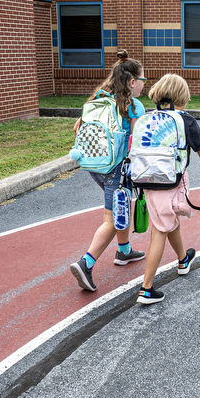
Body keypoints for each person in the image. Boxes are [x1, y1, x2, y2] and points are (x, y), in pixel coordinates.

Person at [69, 50, 146, 291]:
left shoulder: (98, 100)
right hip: (118, 169)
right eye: (143, 80)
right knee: (113, 218)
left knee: (120, 208)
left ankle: (124, 252)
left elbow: (76, 130)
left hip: (96, 166)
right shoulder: (133, 106)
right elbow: (137, 141)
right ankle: (86, 263)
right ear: (132, 82)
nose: (144, 85)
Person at [136, 74, 200, 305]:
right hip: (172, 181)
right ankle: (146, 289)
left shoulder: (148, 118)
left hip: (147, 180)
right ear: (184, 97)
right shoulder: (185, 120)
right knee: (160, 229)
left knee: (168, 221)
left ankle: (182, 260)